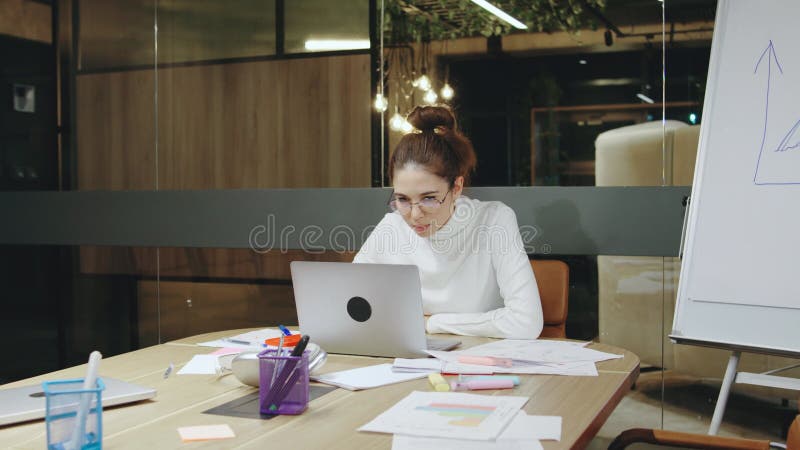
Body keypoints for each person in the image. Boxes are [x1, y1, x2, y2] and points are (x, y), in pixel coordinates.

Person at [353, 105, 543, 339]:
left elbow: (526, 322)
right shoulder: (393, 226)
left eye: (429, 199)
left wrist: (432, 323)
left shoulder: (494, 220)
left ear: (457, 188)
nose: (414, 215)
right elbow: (351, 304)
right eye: (402, 199)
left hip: (480, 360)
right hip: (410, 358)